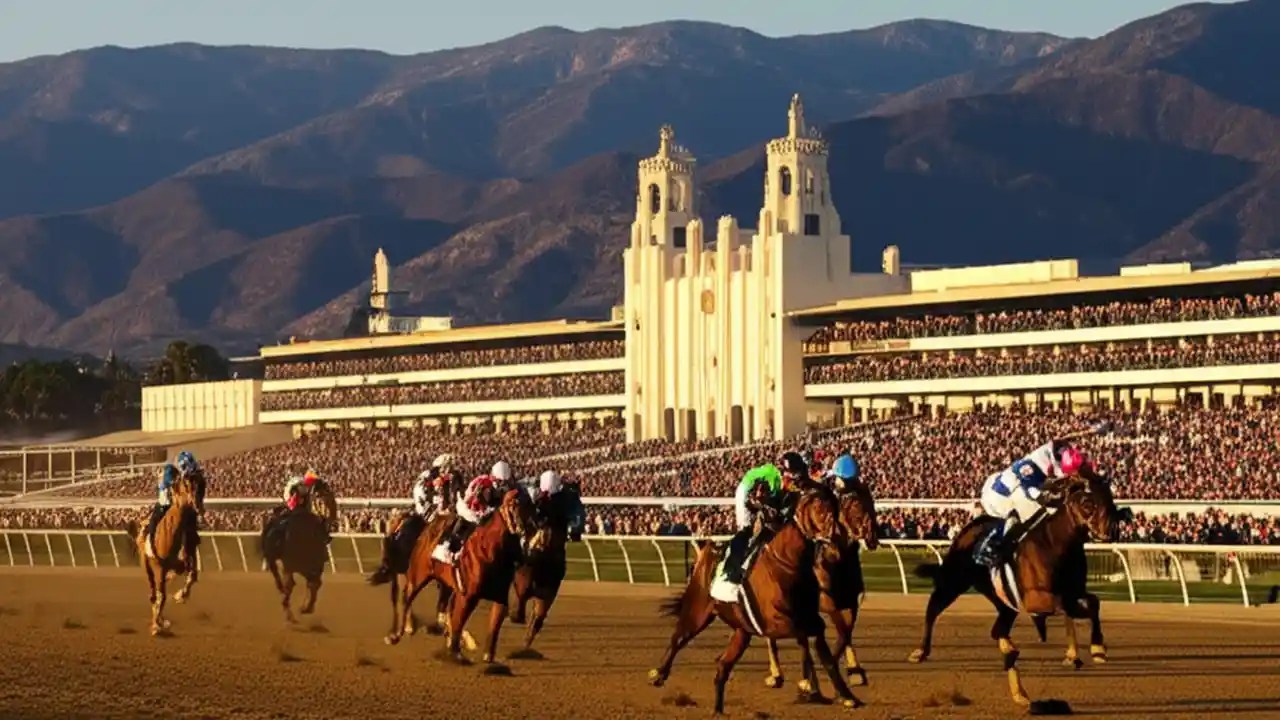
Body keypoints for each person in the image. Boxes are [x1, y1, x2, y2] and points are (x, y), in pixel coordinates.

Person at [976, 441, 1087, 567]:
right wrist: (1061, 499)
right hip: (997, 499)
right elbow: (1041, 498)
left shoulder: (1046, 455)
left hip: (1003, 486)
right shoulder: (1033, 472)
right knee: (1018, 519)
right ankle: (991, 545)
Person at [721, 463, 787, 585]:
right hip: (752, 503)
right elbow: (758, 497)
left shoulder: (772, 478)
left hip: (755, 503)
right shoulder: (772, 480)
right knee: (744, 534)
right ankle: (735, 568)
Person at [438, 472, 503, 562]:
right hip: (470, 513)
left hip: (468, 510)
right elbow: (478, 504)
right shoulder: (485, 486)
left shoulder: (484, 481)